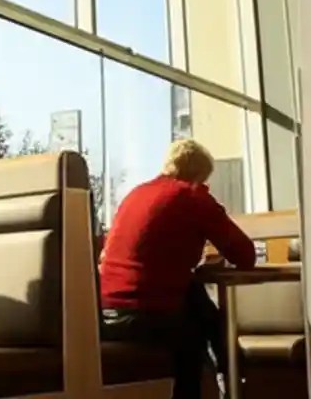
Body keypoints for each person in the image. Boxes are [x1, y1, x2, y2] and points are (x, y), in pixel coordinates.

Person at [98, 139, 259, 399]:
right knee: (201, 327)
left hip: (105, 314)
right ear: (197, 174)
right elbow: (245, 255)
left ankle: (232, 379)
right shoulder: (191, 195)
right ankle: (237, 380)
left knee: (194, 296)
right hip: (149, 315)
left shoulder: (135, 195)